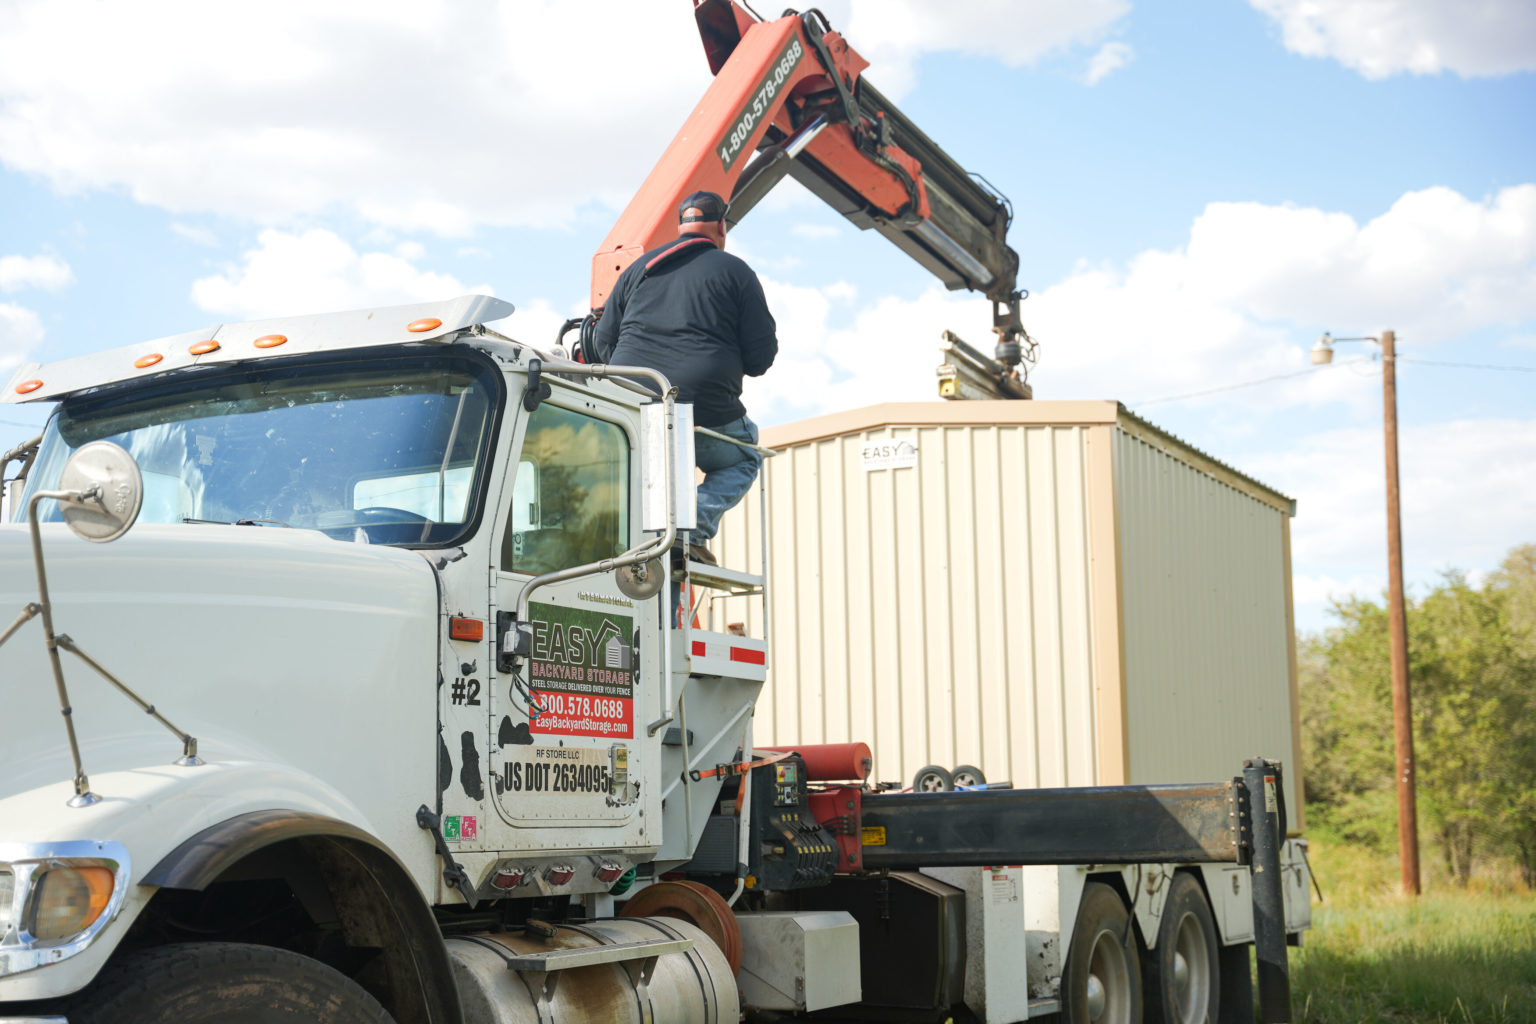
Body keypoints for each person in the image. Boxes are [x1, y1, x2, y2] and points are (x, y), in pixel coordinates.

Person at [592, 190, 778, 564]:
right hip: (703, 406)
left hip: (633, 405)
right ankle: (689, 531)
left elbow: (601, 342)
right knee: (744, 456)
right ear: (721, 227)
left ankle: (626, 535)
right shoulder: (736, 272)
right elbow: (761, 358)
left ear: (680, 226)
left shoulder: (638, 270)